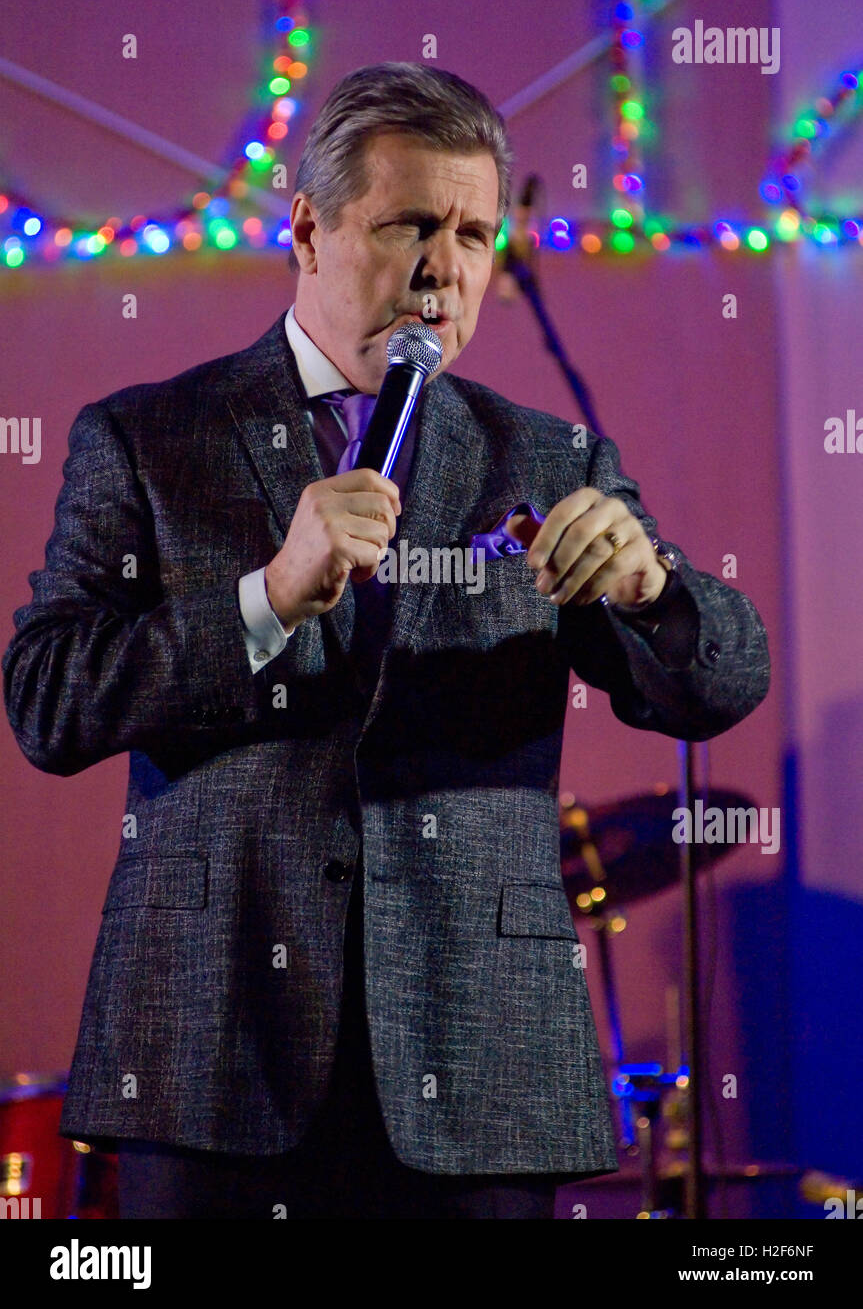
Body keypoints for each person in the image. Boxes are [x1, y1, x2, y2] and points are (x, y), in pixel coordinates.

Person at [3, 62, 770, 1220]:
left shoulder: (546, 457)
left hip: (478, 1070)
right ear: (306, 228)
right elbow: (49, 700)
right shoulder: (149, 437)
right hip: (216, 1055)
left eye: (472, 232)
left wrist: (647, 586)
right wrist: (264, 596)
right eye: (411, 223)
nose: (444, 268)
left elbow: (720, 681)